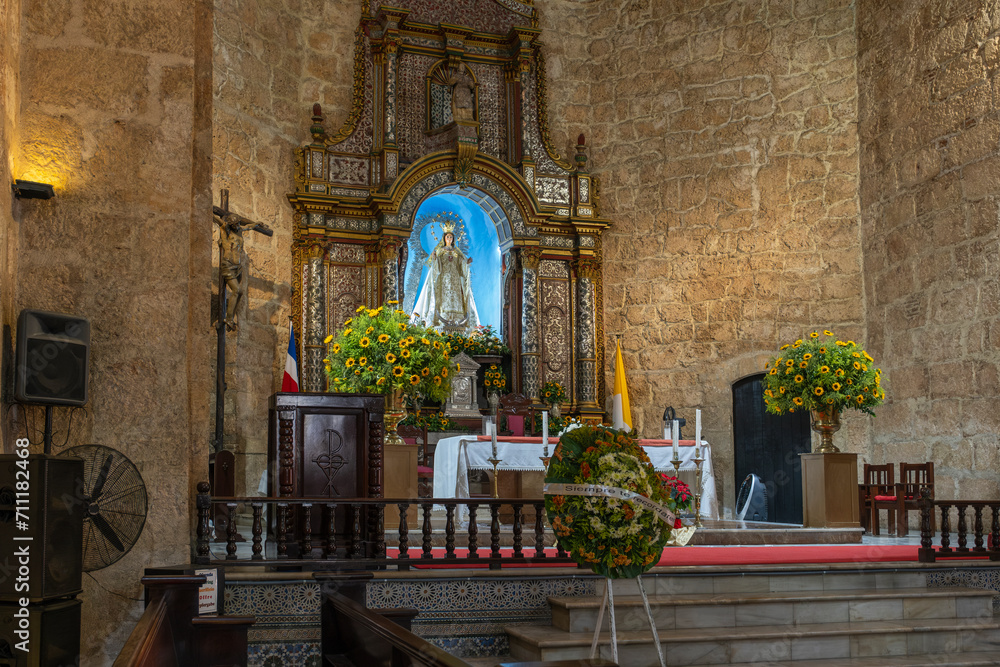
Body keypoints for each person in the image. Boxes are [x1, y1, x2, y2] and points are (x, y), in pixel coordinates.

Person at [412, 227, 480, 332]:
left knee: (456, 298)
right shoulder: (440, 251)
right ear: (444, 238)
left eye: (451, 237)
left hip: (455, 280)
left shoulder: (457, 252)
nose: (449, 239)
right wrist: (435, 258)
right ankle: (441, 318)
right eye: (447, 237)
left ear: (453, 239)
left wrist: (466, 263)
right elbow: (437, 266)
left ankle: (458, 318)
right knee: (444, 297)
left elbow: (461, 266)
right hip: (444, 279)